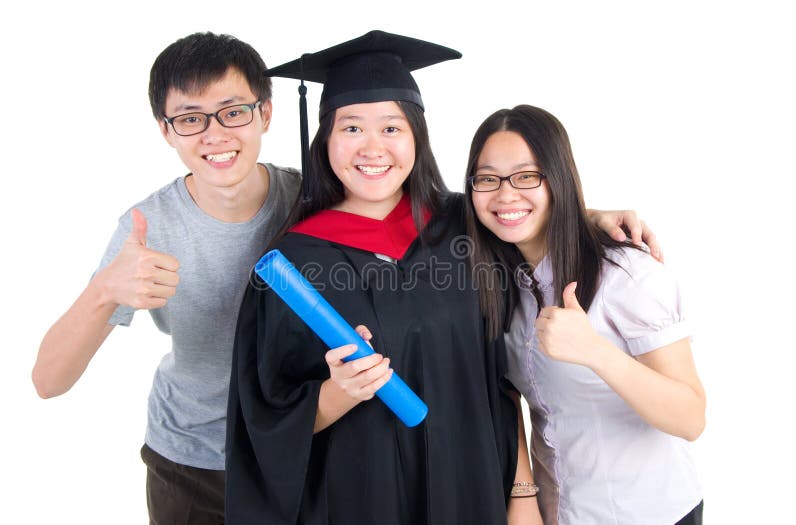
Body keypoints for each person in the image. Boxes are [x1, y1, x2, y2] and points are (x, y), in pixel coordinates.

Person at [225, 31, 657, 525]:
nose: (372, 147)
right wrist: (339, 391)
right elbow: (263, 423)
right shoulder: (290, 264)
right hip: (358, 501)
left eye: (391, 128)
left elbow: (501, 374)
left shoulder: (466, 228)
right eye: (350, 128)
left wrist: (590, 216)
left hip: (472, 492)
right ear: (325, 139)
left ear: (416, 137)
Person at [32, 32, 301, 523]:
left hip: (300, 444)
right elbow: (48, 381)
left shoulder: (309, 201)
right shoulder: (147, 228)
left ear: (265, 113)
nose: (215, 135)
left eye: (233, 110)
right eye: (191, 118)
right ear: (166, 131)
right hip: (192, 462)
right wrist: (104, 291)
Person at [464, 104, 705, 525]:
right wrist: (524, 496)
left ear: (558, 177)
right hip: (560, 513)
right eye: (488, 179)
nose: (505, 194)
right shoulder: (501, 282)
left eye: (526, 176)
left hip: (647, 513)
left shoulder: (627, 276)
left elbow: (691, 418)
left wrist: (595, 351)